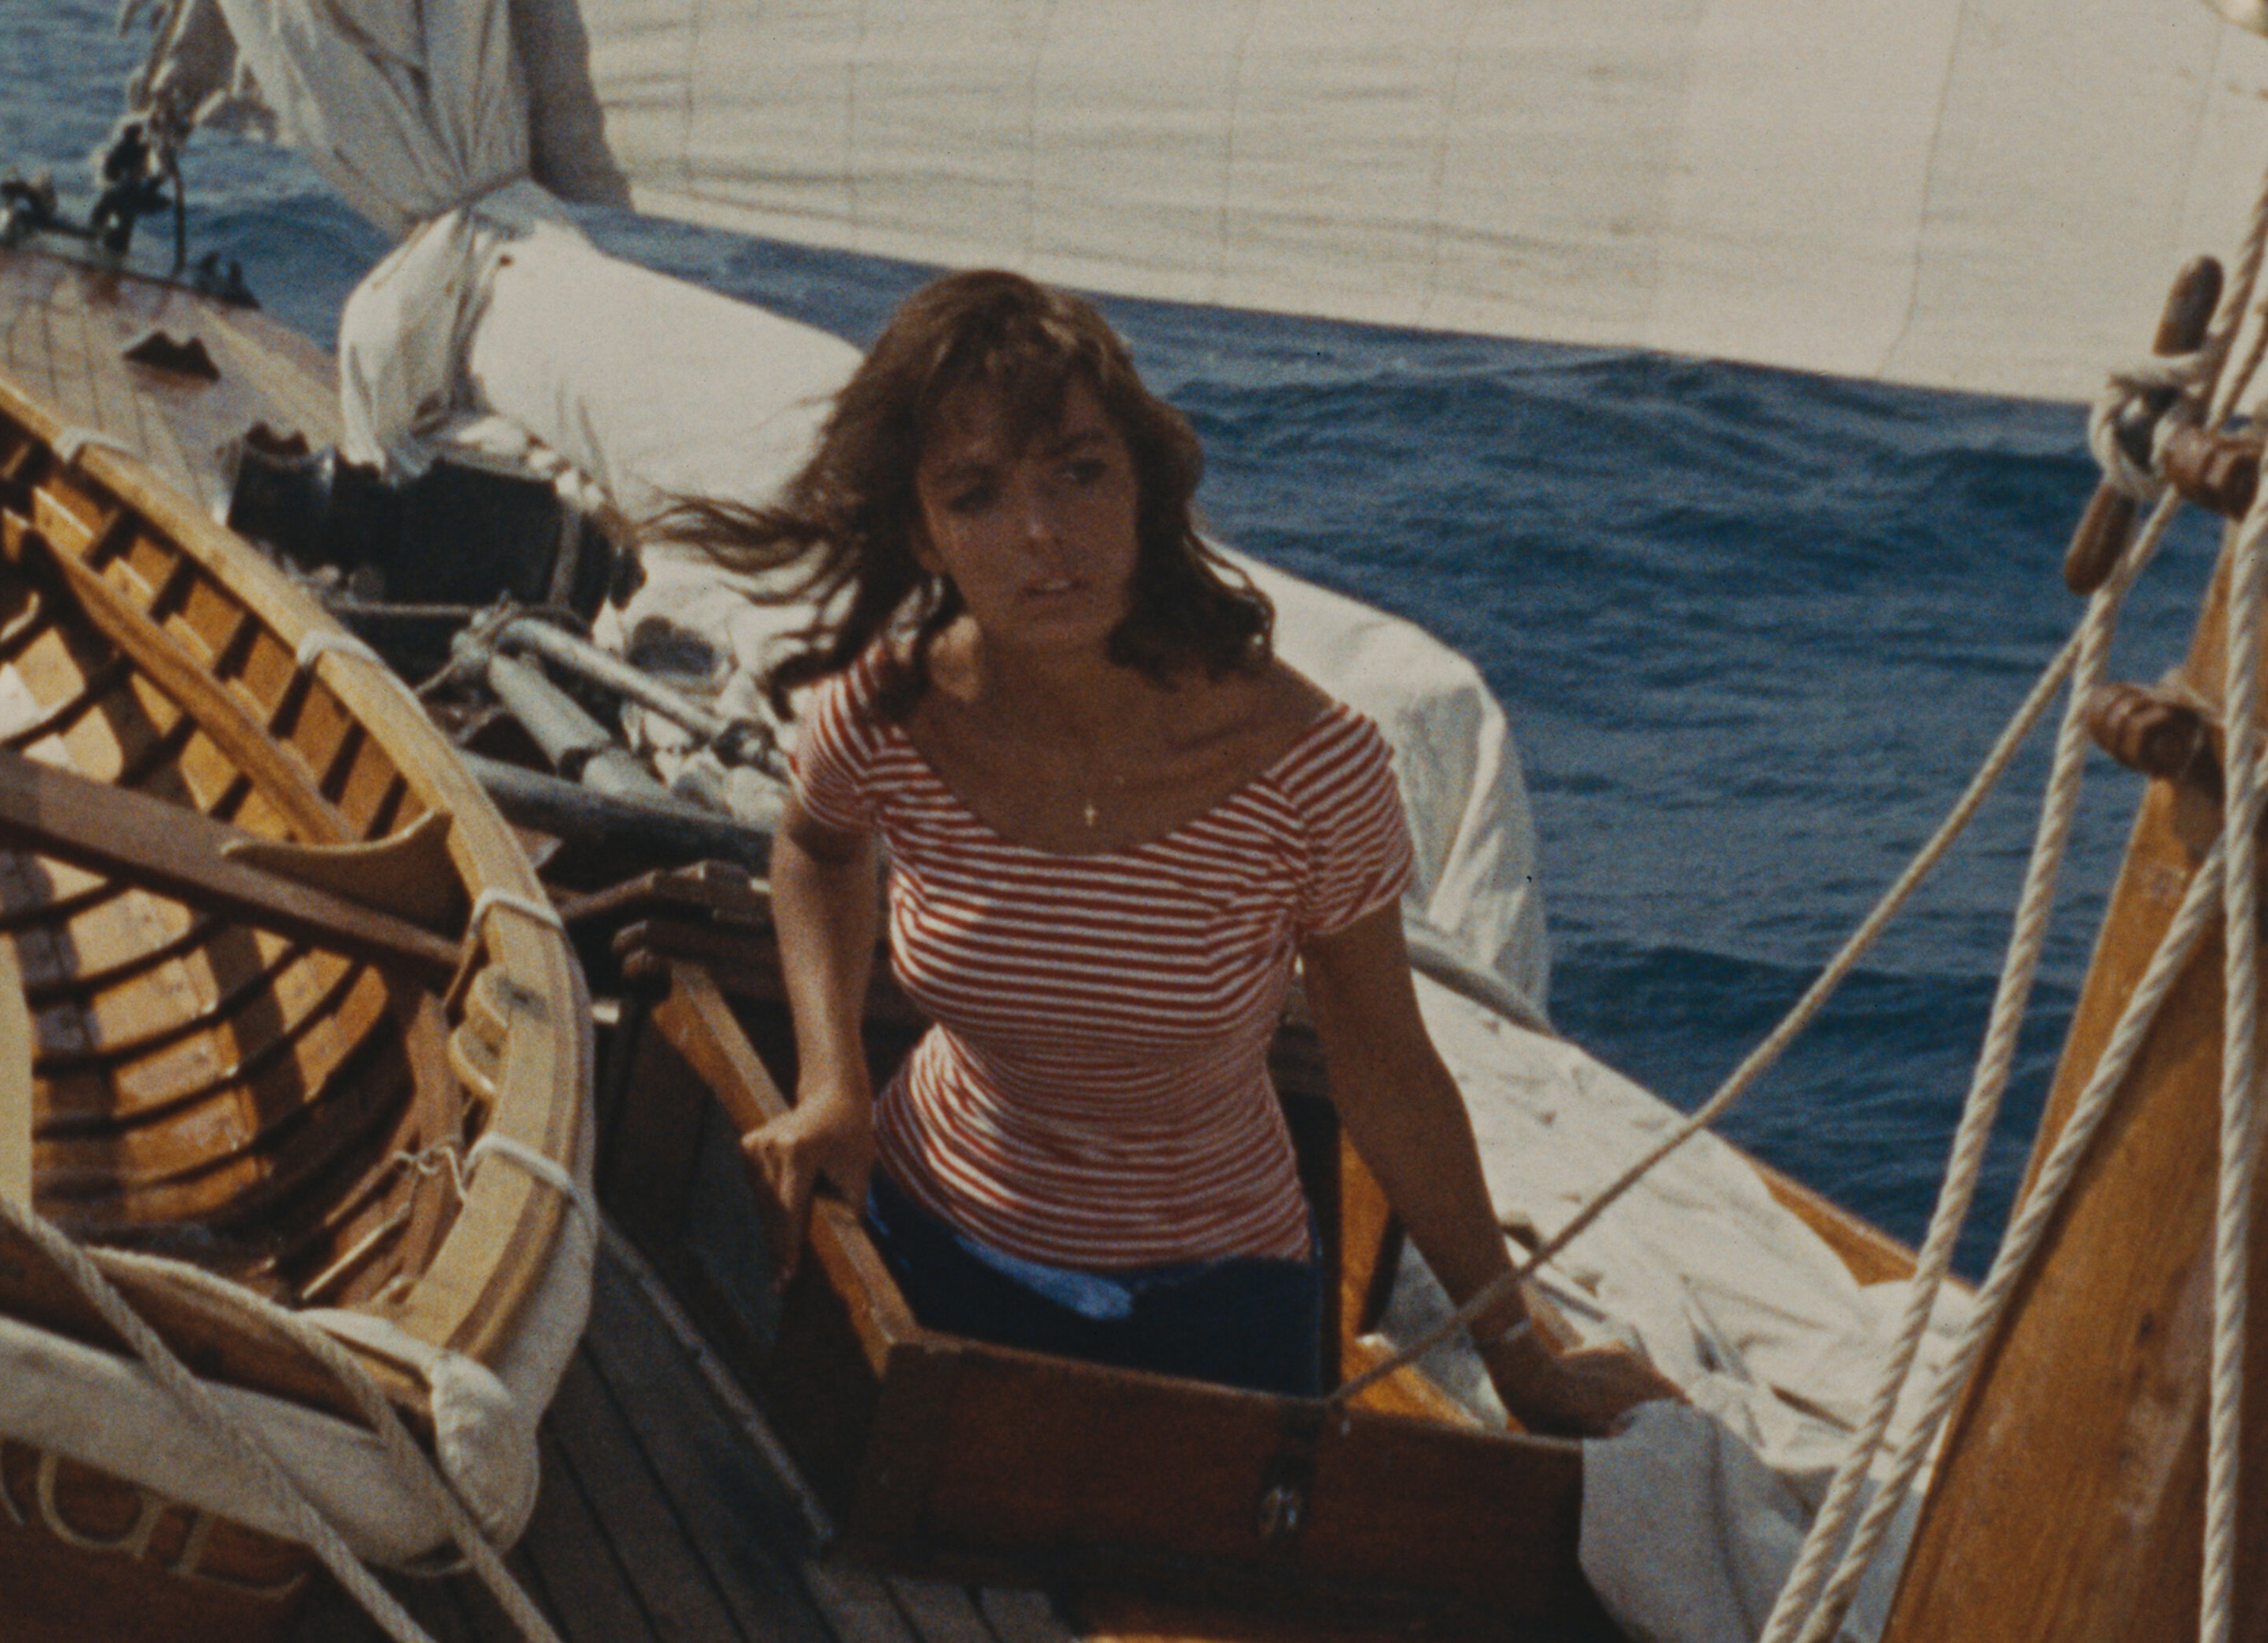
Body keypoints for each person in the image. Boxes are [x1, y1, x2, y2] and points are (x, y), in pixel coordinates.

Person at [665, 268, 1674, 1437]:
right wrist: (832, 1085)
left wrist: (1518, 1357)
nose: (1043, 535)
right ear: (922, 534)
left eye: (1079, 472)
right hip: (921, 1245)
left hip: (1218, 1306)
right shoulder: (887, 717)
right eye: (978, 494)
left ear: (1144, 487)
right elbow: (817, 850)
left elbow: (1390, 1072)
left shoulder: (1311, 769)